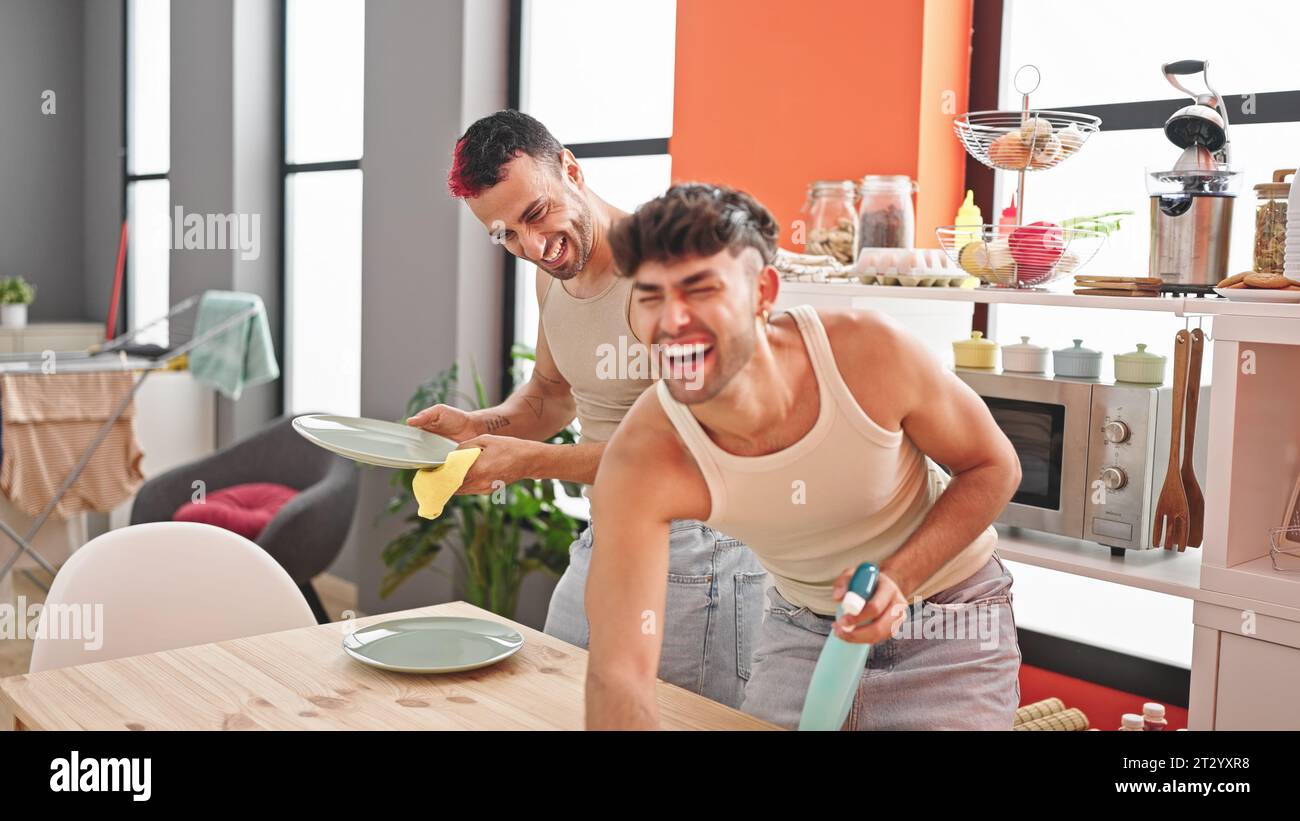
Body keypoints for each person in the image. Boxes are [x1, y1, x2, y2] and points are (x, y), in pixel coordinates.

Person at [585, 183, 1024, 729]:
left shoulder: (869, 353)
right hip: (804, 629)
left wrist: (899, 579)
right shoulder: (646, 456)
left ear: (763, 291)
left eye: (700, 290)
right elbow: (620, 670)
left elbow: (994, 466)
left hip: (950, 620)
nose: (673, 321)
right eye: (651, 295)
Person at [408, 112, 765, 708]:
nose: (532, 247)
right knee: (560, 706)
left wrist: (528, 462)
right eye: (506, 236)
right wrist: (478, 427)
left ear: (571, 169)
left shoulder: (668, 275)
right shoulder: (554, 277)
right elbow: (549, 394)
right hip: (607, 533)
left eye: (535, 214)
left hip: (697, 547)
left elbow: (693, 450)